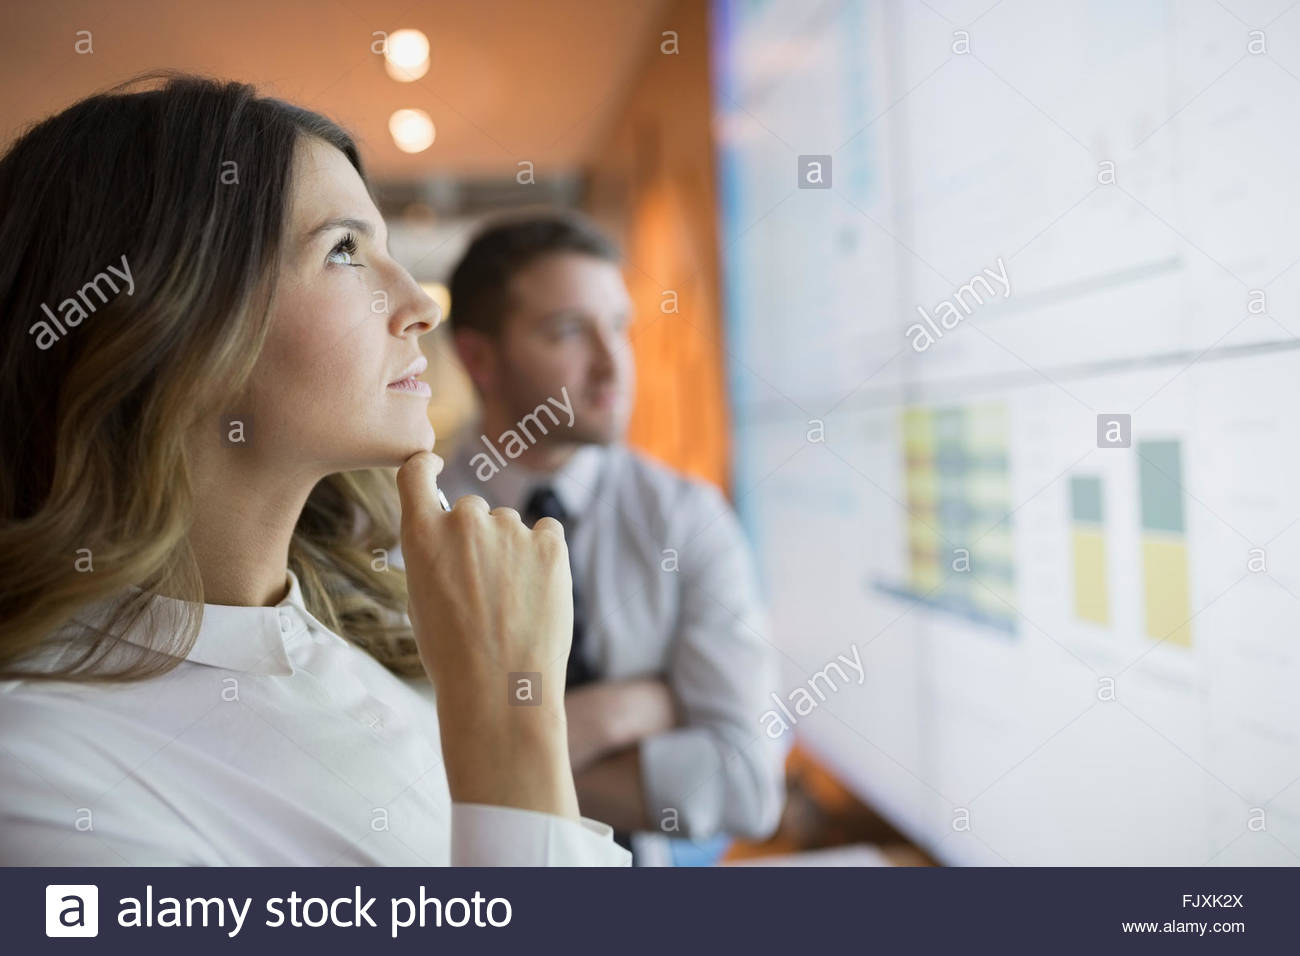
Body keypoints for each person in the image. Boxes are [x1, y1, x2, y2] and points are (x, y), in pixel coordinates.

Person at [0, 75, 628, 866]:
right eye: (343, 250)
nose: (418, 305)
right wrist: (513, 714)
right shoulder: (35, 772)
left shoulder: (382, 646)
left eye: (387, 249)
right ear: (173, 324)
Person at [434, 215, 787, 854]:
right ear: (479, 357)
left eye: (619, 326)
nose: (612, 363)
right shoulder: (411, 524)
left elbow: (748, 784)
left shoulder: (687, 517)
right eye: (568, 331)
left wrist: (487, 764)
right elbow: (400, 786)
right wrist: (627, 710)